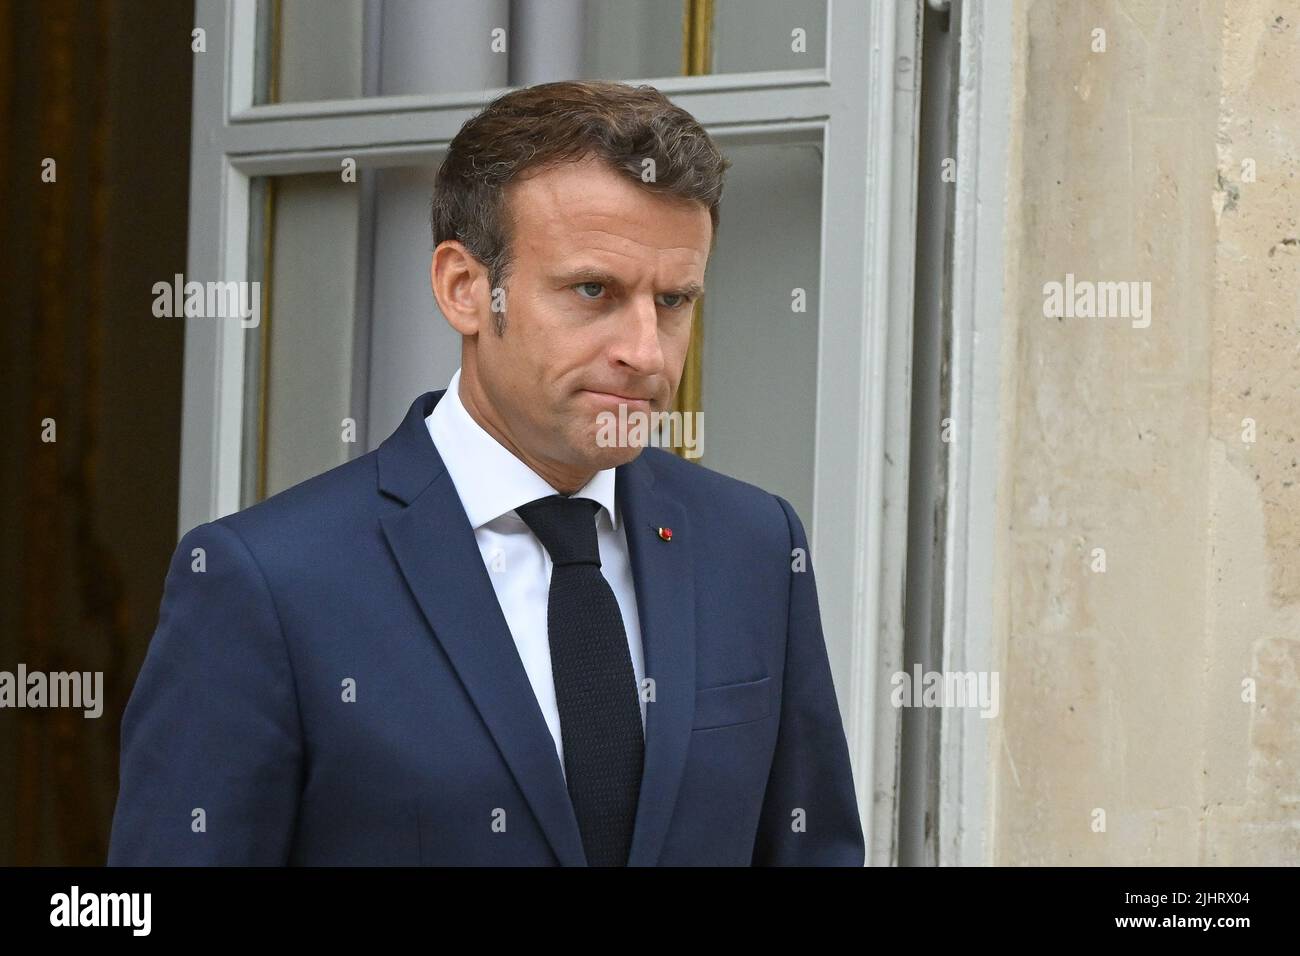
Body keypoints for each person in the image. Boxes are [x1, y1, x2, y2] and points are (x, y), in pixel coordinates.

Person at [108, 80, 864, 866]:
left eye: (672, 300)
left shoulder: (754, 546)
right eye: (593, 291)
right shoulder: (266, 583)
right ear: (465, 289)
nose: (646, 351)